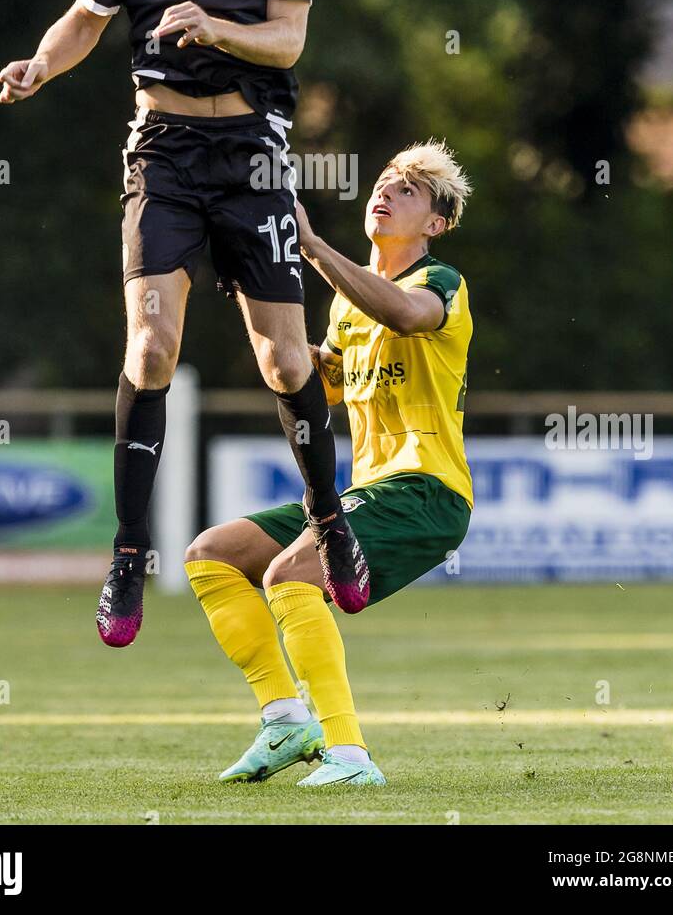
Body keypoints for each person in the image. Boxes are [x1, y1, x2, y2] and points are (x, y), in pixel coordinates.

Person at [0, 0, 370, 648]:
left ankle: (331, 522)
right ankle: (129, 554)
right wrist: (41, 65)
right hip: (163, 157)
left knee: (284, 362)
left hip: (251, 158)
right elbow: (87, 17)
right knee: (151, 345)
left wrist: (213, 28)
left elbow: (286, 41)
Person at [185, 140, 473, 787]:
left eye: (408, 189)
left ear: (436, 223)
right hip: (370, 492)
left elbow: (401, 312)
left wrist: (309, 245)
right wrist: (248, 277)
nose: (387, 191)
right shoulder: (347, 306)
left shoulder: (440, 284)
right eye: (385, 181)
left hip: (428, 491)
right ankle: (286, 719)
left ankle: (350, 756)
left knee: (290, 574)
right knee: (213, 556)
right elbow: (308, 375)